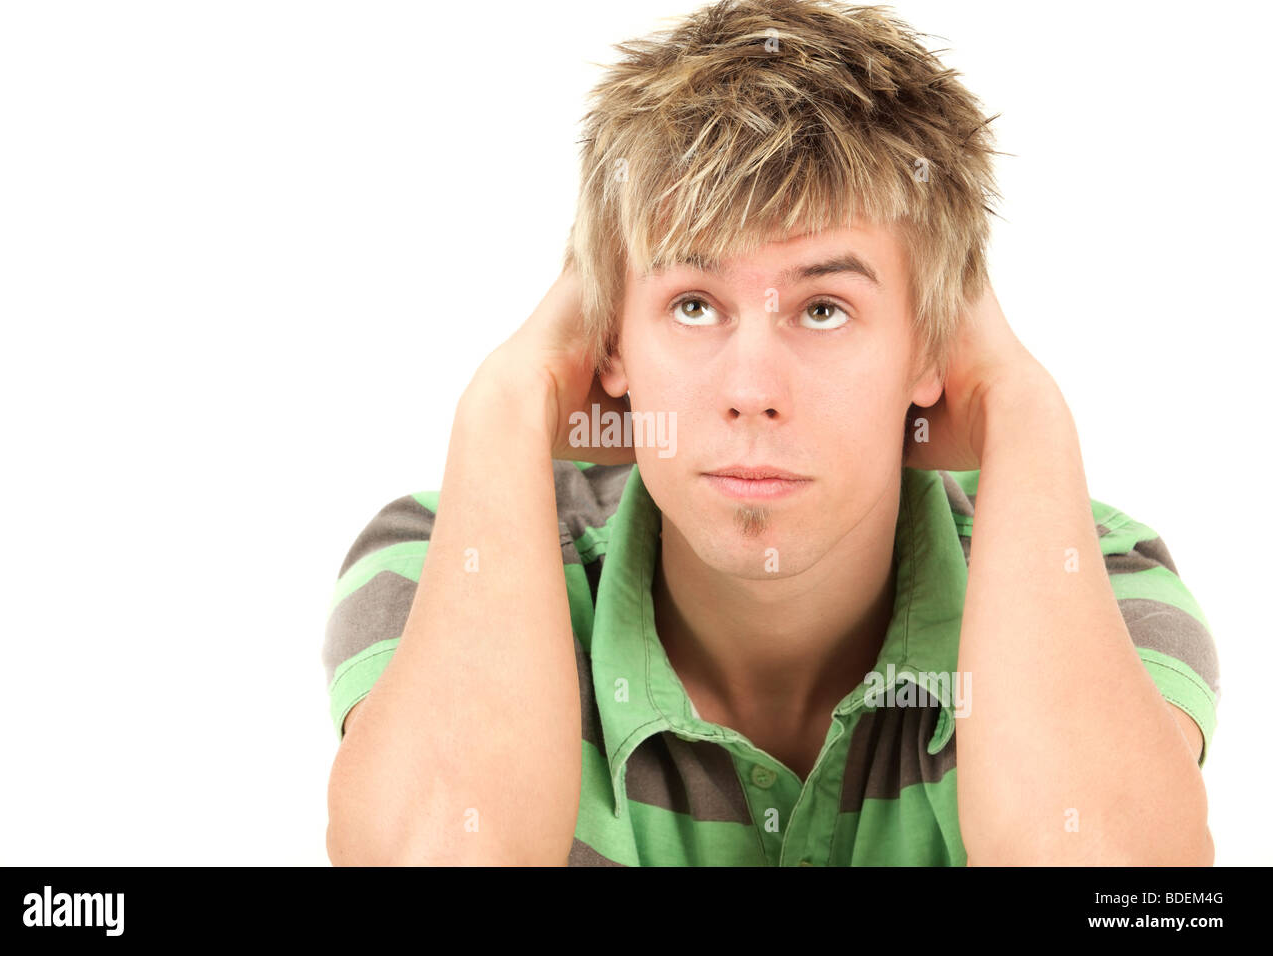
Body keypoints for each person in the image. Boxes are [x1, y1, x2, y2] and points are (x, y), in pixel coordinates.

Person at [322, 0, 1219, 866]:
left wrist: (1022, 409)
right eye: (693, 303)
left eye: (824, 308)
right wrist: (505, 401)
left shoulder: (1095, 575)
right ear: (608, 341)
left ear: (930, 348)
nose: (752, 391)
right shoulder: (445, 556)